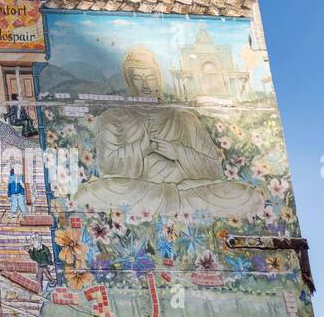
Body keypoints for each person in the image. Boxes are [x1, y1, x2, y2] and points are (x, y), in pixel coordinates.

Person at [72, 47, 264, 218]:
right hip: (140, 192)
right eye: (138, 78)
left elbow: (214, 169)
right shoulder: (113, 118)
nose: (145, 85)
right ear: (129, 81)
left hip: (187, 191)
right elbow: (108, 167)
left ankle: (171, 204)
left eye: (151, 77)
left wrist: (178, 152)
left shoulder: (184, 118)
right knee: (86, 196)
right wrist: (141, 148)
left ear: (160, 78)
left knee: (247, 195)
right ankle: (171, 206)